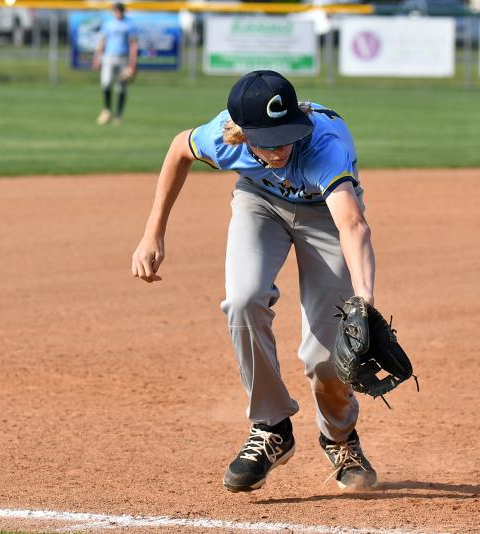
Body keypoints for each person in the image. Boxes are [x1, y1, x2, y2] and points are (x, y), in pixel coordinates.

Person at [131, 70, 378, 493]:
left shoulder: (323, 146)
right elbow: (179, 148)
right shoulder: (222, 137)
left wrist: (365, 300)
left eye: (286, 136)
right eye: (268, 141)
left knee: (324, 355)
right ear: (242, 133)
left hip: (323, 214)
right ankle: (271, 427)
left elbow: (352, 225)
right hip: (260, 201)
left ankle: (340, 438)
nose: (280, 148)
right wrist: (153, 232)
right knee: (243, 299)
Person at [92, 2, 138, 126]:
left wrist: (133, 63)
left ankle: (118, 115)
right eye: (116, 10)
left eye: (120, 10)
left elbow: (133, 45)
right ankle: (107, 110)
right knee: (106, 83)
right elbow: (102, 41)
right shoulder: (108, 24)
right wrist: (97, 58)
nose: (118, 12)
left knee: (121, 86)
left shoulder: (129, 24)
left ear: (123, 11)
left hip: (123, 59)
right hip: (109, 57)